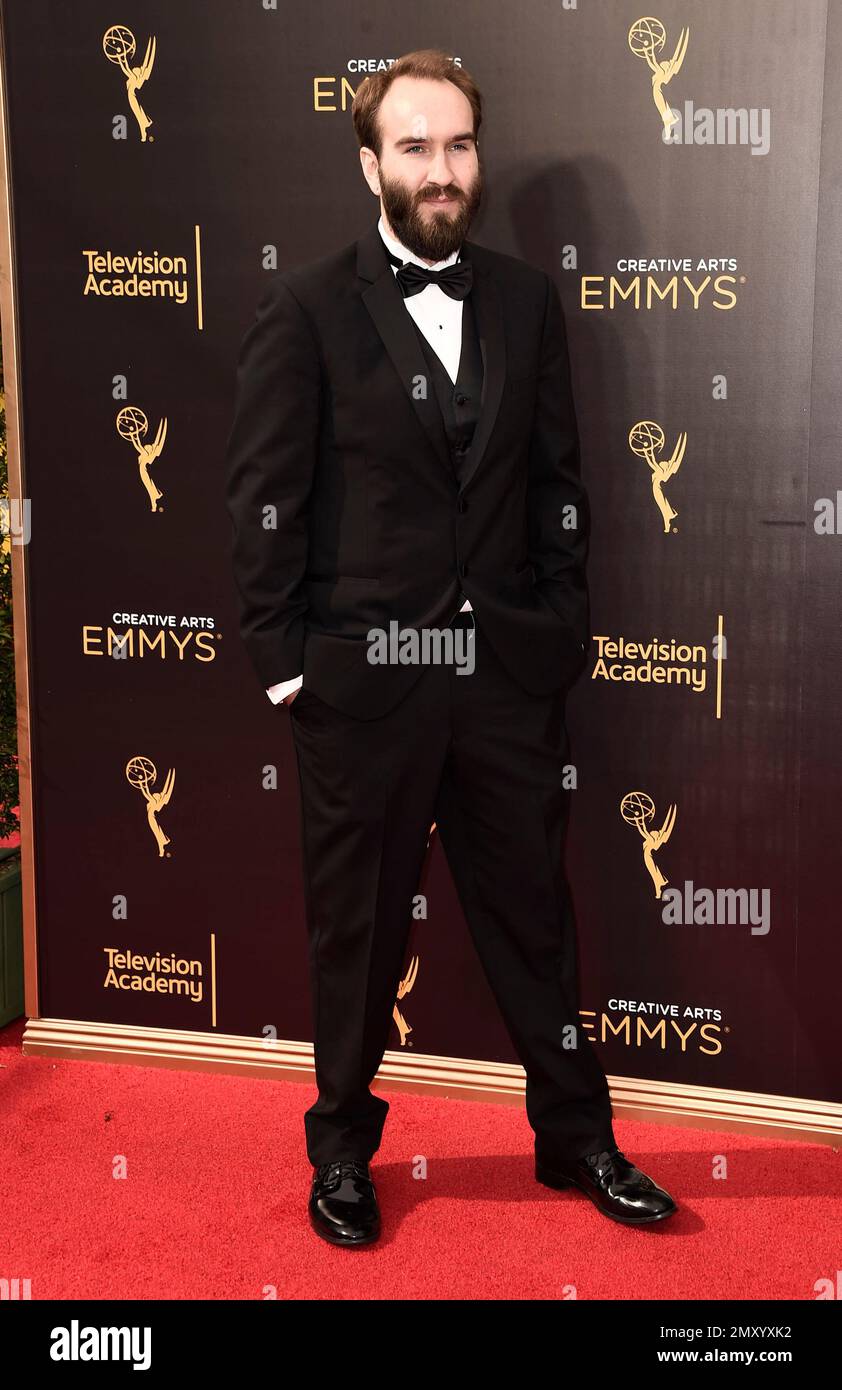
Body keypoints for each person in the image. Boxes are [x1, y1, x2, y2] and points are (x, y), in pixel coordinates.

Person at [224, 48, 677, 1247]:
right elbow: (261, 495)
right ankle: (339, 1157)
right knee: (357, 938)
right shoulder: (308, 307)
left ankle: (575, 1138)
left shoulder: (527, 300)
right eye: (415, 146)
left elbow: (558, 481)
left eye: (459, 144)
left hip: (502, 681)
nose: (442, 169)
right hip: (363, 690)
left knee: (536, 920)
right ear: (368, 160)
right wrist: (286, 663)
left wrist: (559, 624)